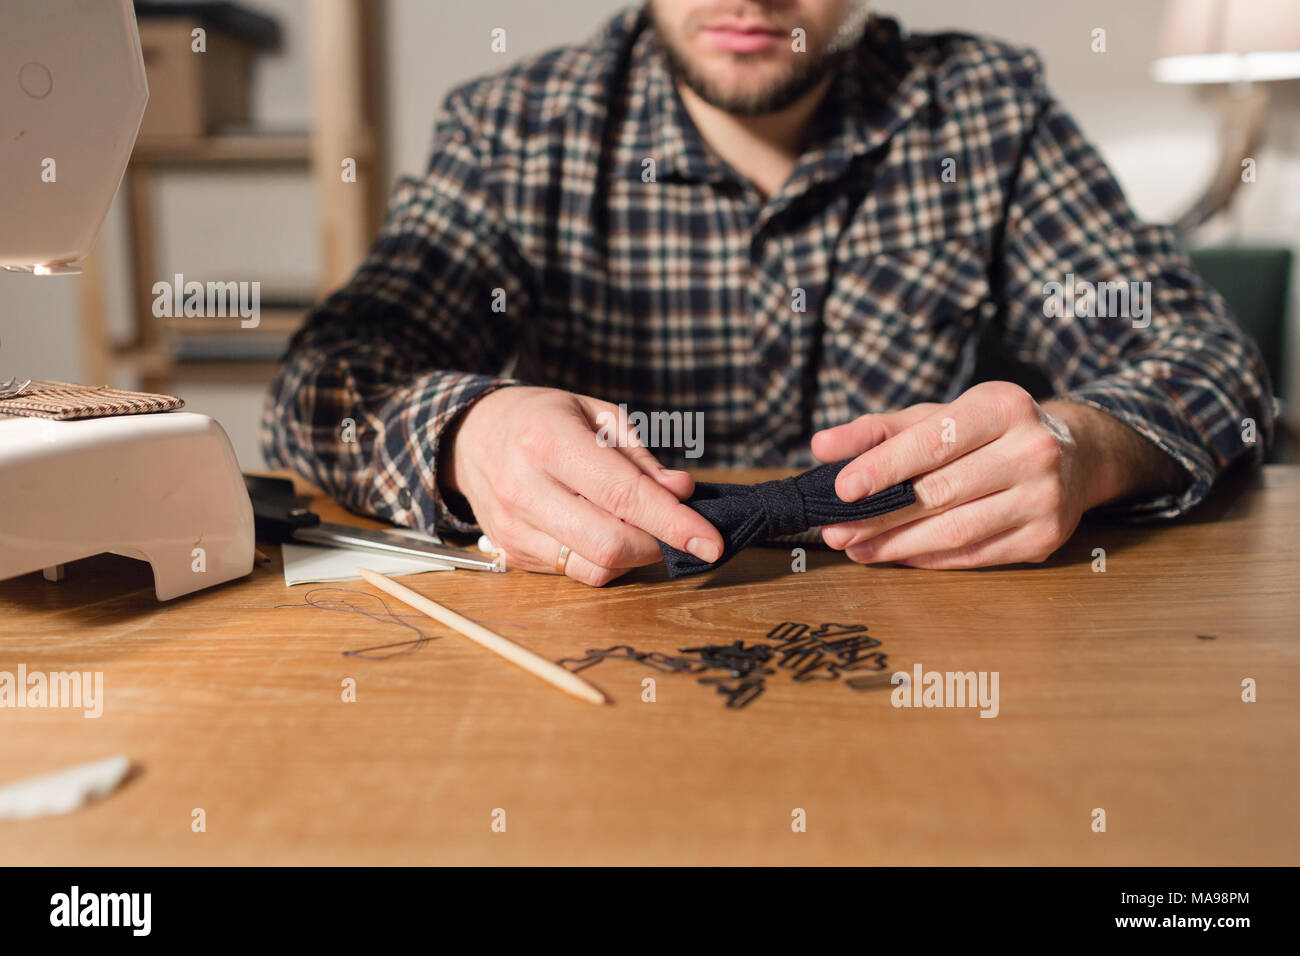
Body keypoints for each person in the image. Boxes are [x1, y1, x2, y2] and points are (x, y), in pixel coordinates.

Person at [262, 1, 1273, 586]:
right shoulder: (516, 129)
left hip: (929, 662)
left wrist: (1081, 447)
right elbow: (323, 383)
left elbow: (1207, 359)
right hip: (603, 653)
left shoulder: (983, 111)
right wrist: (465, 432)